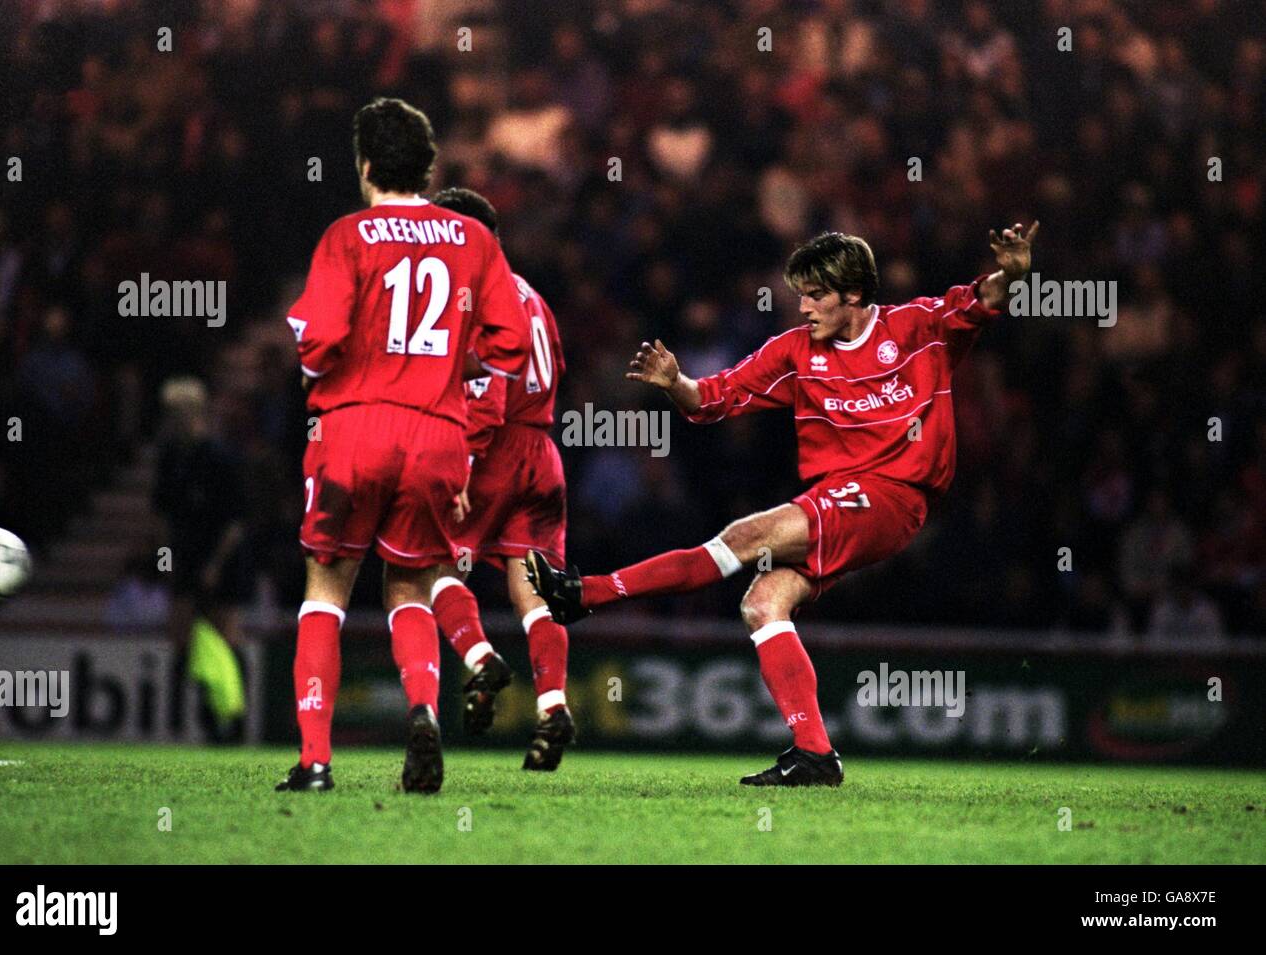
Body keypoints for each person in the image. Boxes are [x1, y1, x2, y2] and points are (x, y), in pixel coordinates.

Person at [528, 222, 1039, 787]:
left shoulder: (918, 327)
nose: (803, 306)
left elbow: (987, 297)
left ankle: (590, 593)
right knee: (763, 601)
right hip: (836, 500)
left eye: (816, 294)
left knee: (748, 535)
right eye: (800, 292)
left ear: (853, 294)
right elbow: (712, 400)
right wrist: (675, 382)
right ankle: (815, 752)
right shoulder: (795, 351)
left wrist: (1014, 271)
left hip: (896, 495)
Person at [276, 98, 528, 794]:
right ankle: (422, 708)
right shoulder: (475, 240)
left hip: (354, 426)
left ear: (364, 164)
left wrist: (320, 360)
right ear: (429, 166)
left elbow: (320, 340)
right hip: (439, 435)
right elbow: (507, 344)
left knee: (326, 590)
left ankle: (316, 761)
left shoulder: (347, 236)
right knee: (411, 585)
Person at [423, 187, 575, 770]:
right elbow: (557, 368)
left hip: (491, 453)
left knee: (429, 565)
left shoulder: (476, 298)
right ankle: (553, 707)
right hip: (542, 451)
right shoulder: (532, 294)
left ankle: (481, 658)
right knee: (534, 594)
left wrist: (463, 464)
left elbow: (485, 395)